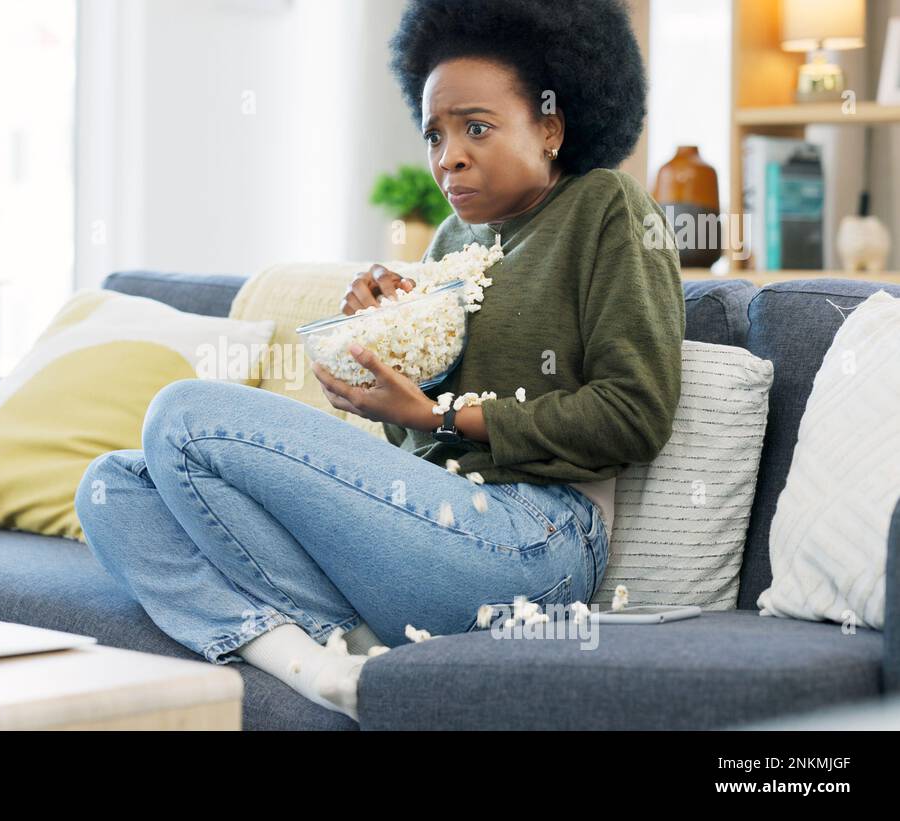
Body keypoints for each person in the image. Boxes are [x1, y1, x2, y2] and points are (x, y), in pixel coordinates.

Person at [75, 0, 683, 724]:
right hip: (420, 536)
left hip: (535, 543)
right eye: (434, 134)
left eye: (476, 127)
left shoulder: (606, 208)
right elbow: (415, 441)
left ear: (550, 126)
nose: (446, 156)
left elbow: (634, 414)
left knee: (181, 415)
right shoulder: (452, 242)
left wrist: (437, 410)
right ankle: (329, 666)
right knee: (114, 487)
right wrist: (382, 364)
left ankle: (336, 646)